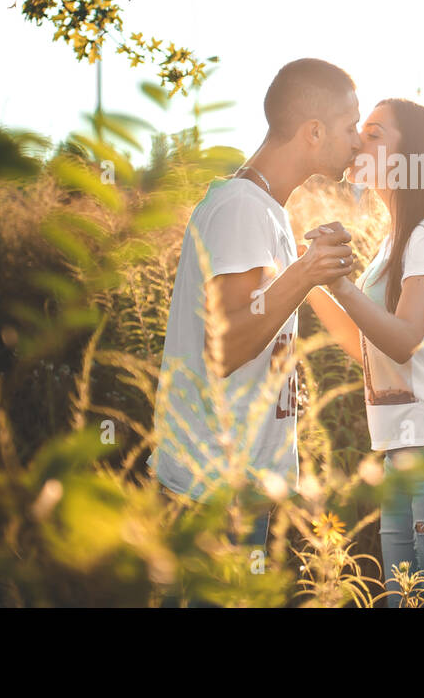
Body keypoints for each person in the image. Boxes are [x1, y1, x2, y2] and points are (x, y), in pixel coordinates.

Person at [148, 58, 361, 548]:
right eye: (349, 127)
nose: (356, 141)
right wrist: (306, 273)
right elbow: (224, 346)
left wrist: (309, 273)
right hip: (215, 495)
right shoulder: (243, 208)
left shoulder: (265, 210)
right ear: (313, 132)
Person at [306, 98, 424, 607]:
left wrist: (341, 285)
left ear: (412, 156)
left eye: (374, 133)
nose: (357, 143)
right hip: (404, 451)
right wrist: (306, 279)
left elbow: (405, 337)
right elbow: (366, 346)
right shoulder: (398, 238)